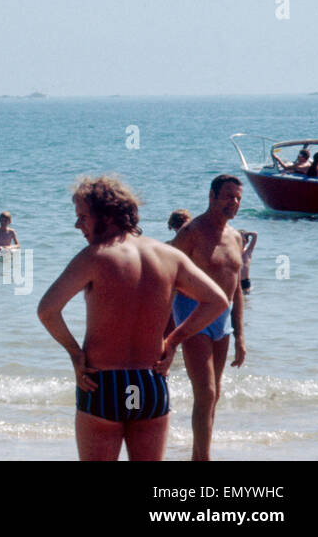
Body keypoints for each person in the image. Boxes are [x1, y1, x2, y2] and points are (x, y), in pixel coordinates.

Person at [37, 175, 229, 462]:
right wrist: (173, 341)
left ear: (106, 216)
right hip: (150, 382)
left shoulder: (94, 257)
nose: (78, 225)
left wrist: (75, 354)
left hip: (103, 384)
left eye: (83, 217)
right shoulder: (168, 256)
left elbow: (47, 310)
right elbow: (218, 301)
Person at [167, 175, 248, 461]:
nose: (233, 202)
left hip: (222, 318)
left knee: (215, 394)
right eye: (228, 196)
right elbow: (166, 277)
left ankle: (198, 456)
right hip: (193, 312)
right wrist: (162, 334)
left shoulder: (236, 237)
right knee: (206, 392)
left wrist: (240, 335)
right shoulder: (191, 232)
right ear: (212, 196)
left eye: (238, 198)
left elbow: (236, 288)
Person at [239, 230, 257, 295]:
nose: (241, 243)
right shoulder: (234, 251)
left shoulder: (248, 251)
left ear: (247, 241)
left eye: (243, 241)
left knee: (246, 298)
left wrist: (247, 234)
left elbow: (255, 235)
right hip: (236, 281)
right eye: (239, 241)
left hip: (245, 281)